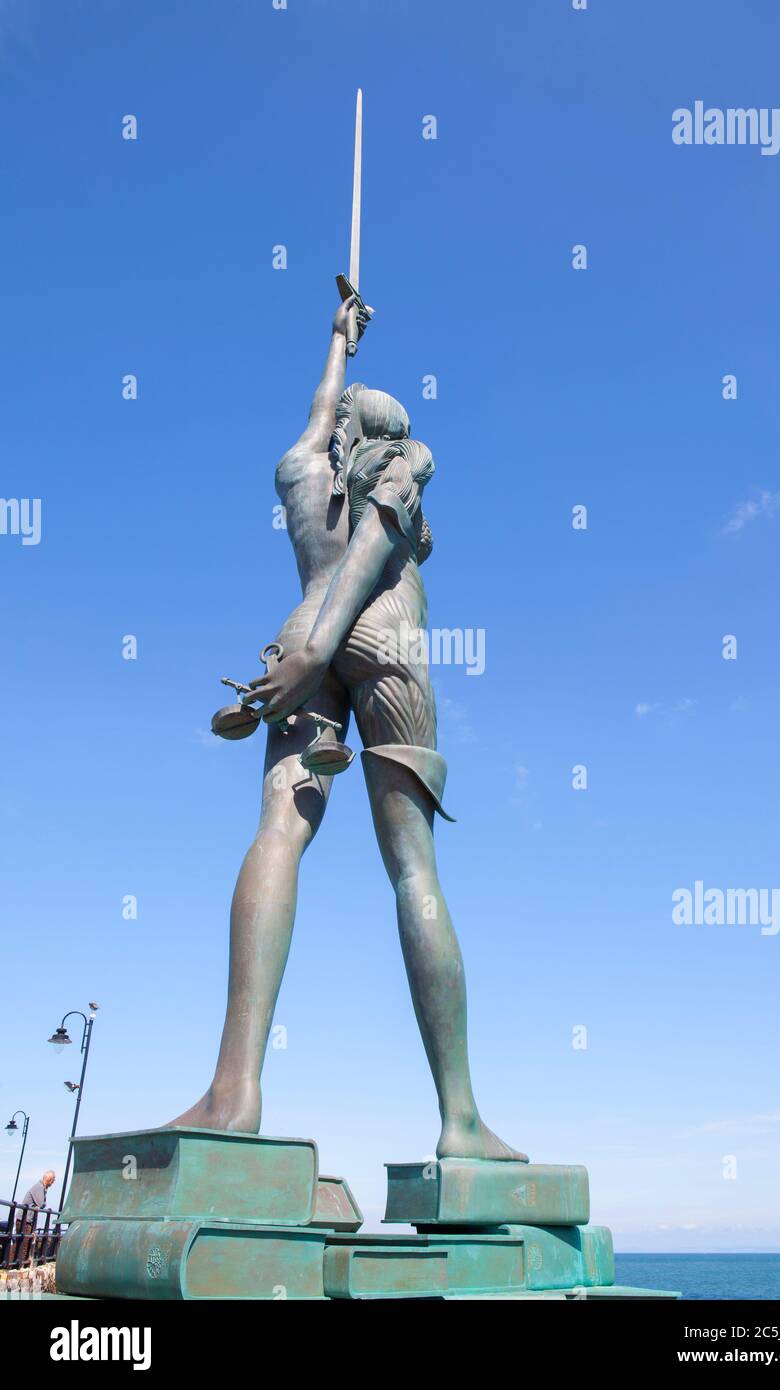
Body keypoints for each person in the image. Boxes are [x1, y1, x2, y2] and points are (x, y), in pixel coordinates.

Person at [169, 300, 525, 1162]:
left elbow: (316, 413)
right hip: (380, 633)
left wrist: (337, 342)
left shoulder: (298, 469)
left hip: (297, 634)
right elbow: (374, 543)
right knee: (411, 868)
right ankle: (461, 1122)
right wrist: (328, 645)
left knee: (276, 837)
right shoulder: (408, 458)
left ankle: (232, 1091)